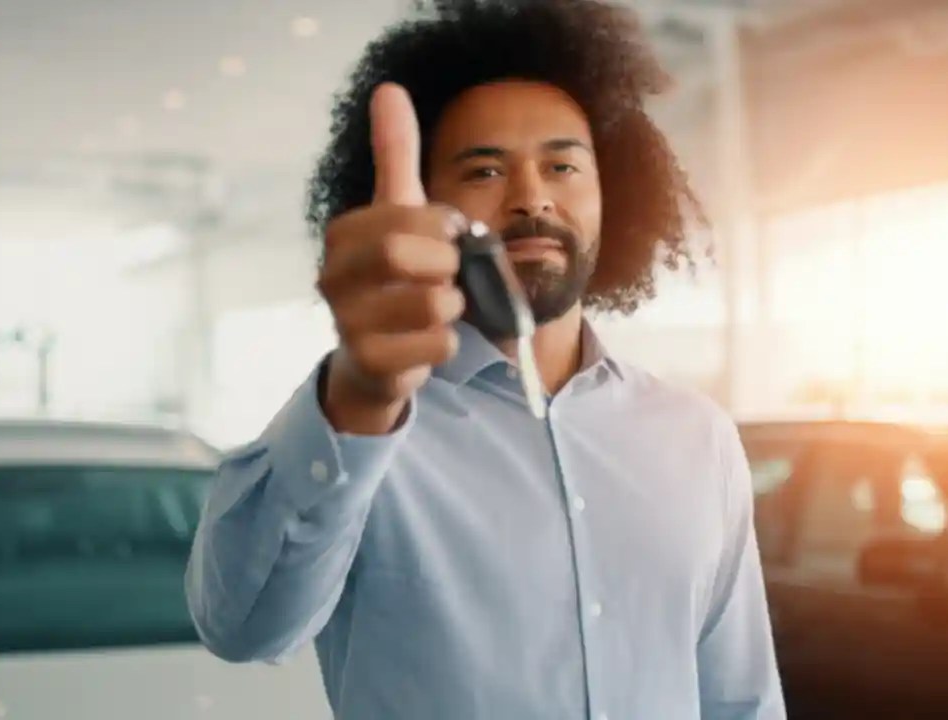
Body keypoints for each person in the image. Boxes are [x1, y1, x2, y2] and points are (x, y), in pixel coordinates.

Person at [185, 1, 785, 718]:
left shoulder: (698, 437)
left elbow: (740, 698)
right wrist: (361, 401)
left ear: (612, 191)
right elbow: (244, 628)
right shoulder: (356, 428)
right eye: (484, 172)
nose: (532, 198)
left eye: (562, 165)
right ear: (423, 209)